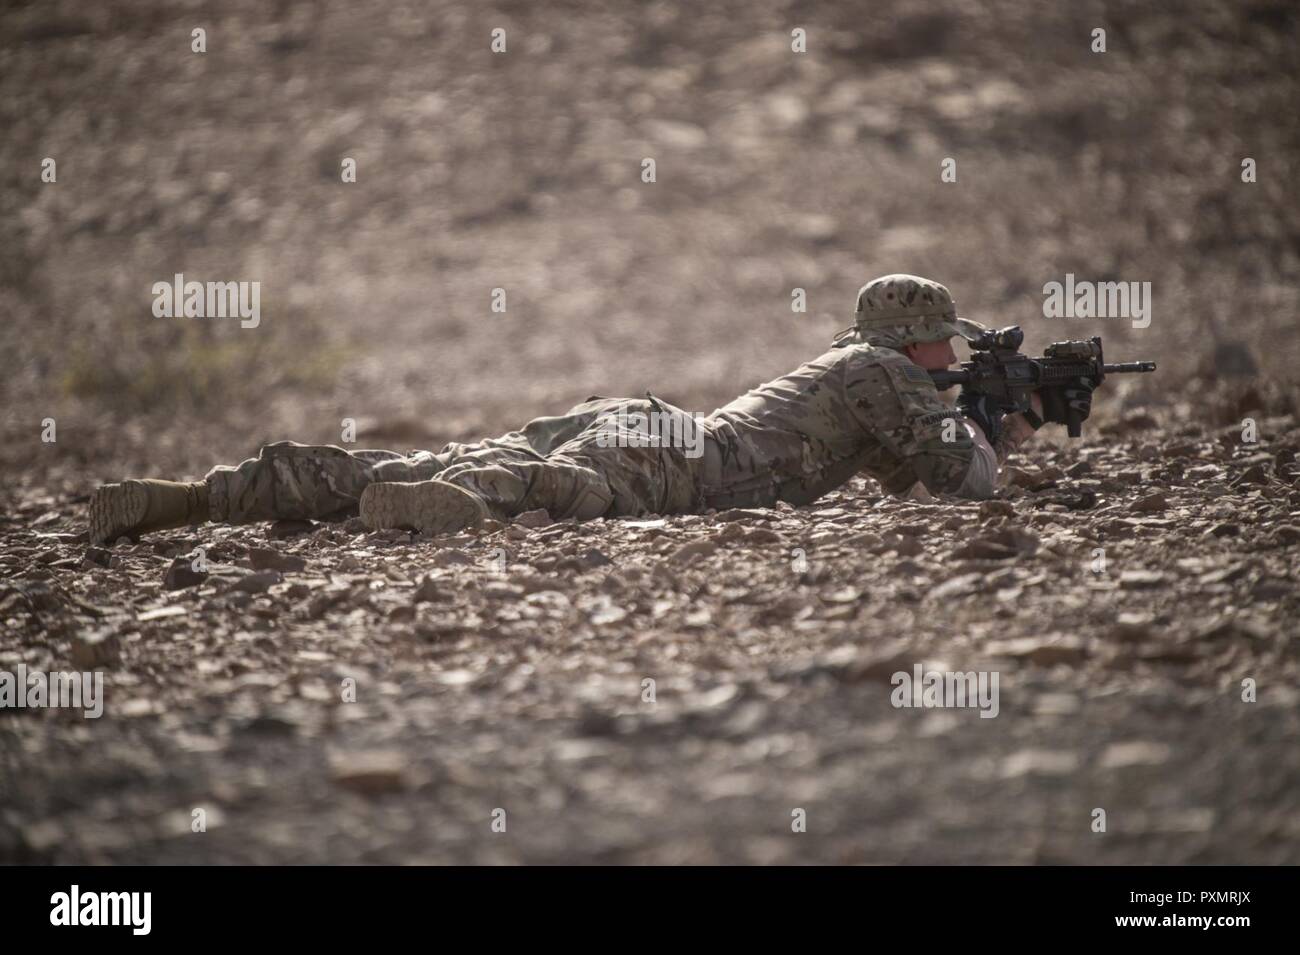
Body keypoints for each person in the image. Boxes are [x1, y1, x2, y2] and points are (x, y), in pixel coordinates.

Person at [89, 274, 1084, 544]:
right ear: (916, 337)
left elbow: (900, 469)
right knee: (572, 492)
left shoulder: (849, 368)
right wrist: (995, 430)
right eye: (947, 344)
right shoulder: (885, 374)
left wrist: (988, 412)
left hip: (644, 420)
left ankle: (193, 497)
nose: (954, 357)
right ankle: (474, 497)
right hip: (680, 454)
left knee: (405, 462)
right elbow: (960, 480)